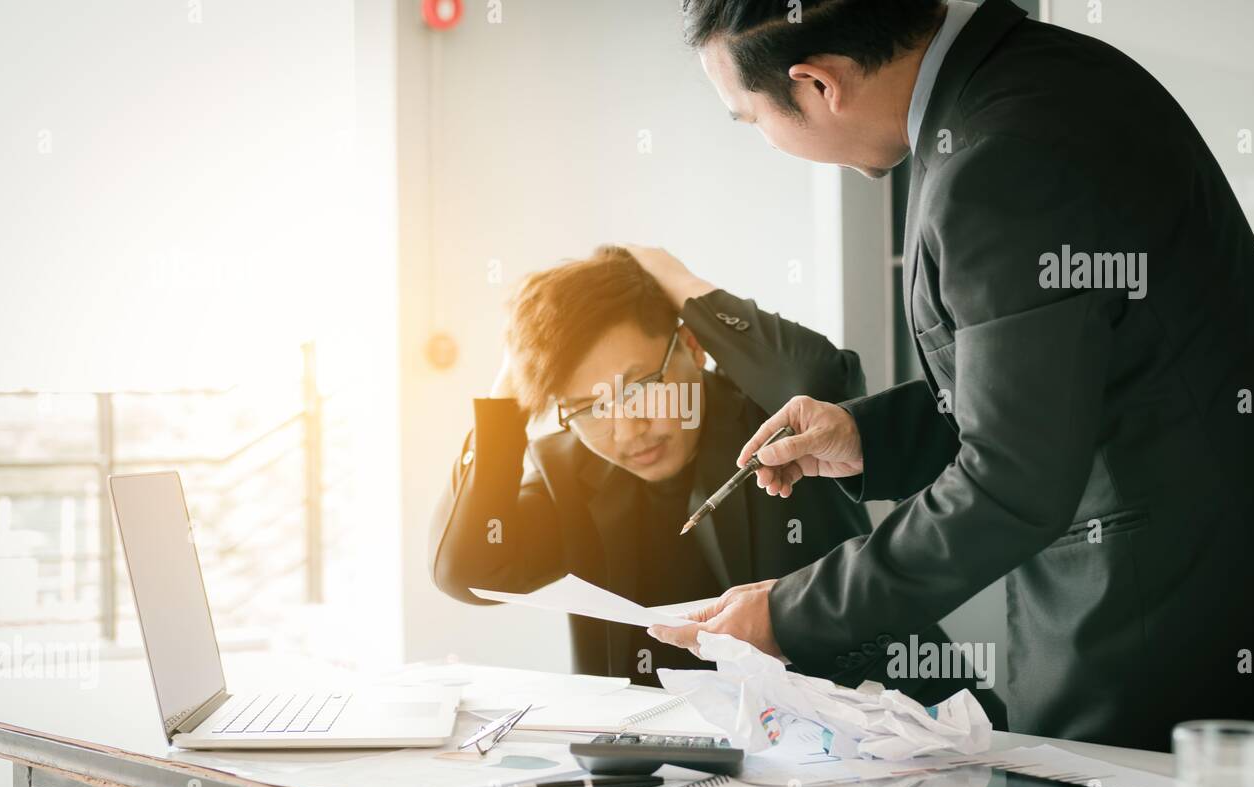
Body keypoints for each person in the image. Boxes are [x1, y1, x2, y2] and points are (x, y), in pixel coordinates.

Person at [648, 0, 1254, 752]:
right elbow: (1063, 376)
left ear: (819, 85)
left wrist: (793, 614)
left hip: (1157, 629)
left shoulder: (996, 157)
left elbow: (1011, 479)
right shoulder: (1041, 76)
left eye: (751, 118)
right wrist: (869, 435)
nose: (763, 138)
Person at [429, 245, 1007, 726]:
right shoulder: (566, 467)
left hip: (896, 729)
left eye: (641, 386)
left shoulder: (765, 411)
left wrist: (676, 280)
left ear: (689, 344)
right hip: (681, 770)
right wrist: (512, 383)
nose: (628, 428)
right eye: (586, 406)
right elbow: (468, 569)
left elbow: (817, 379)